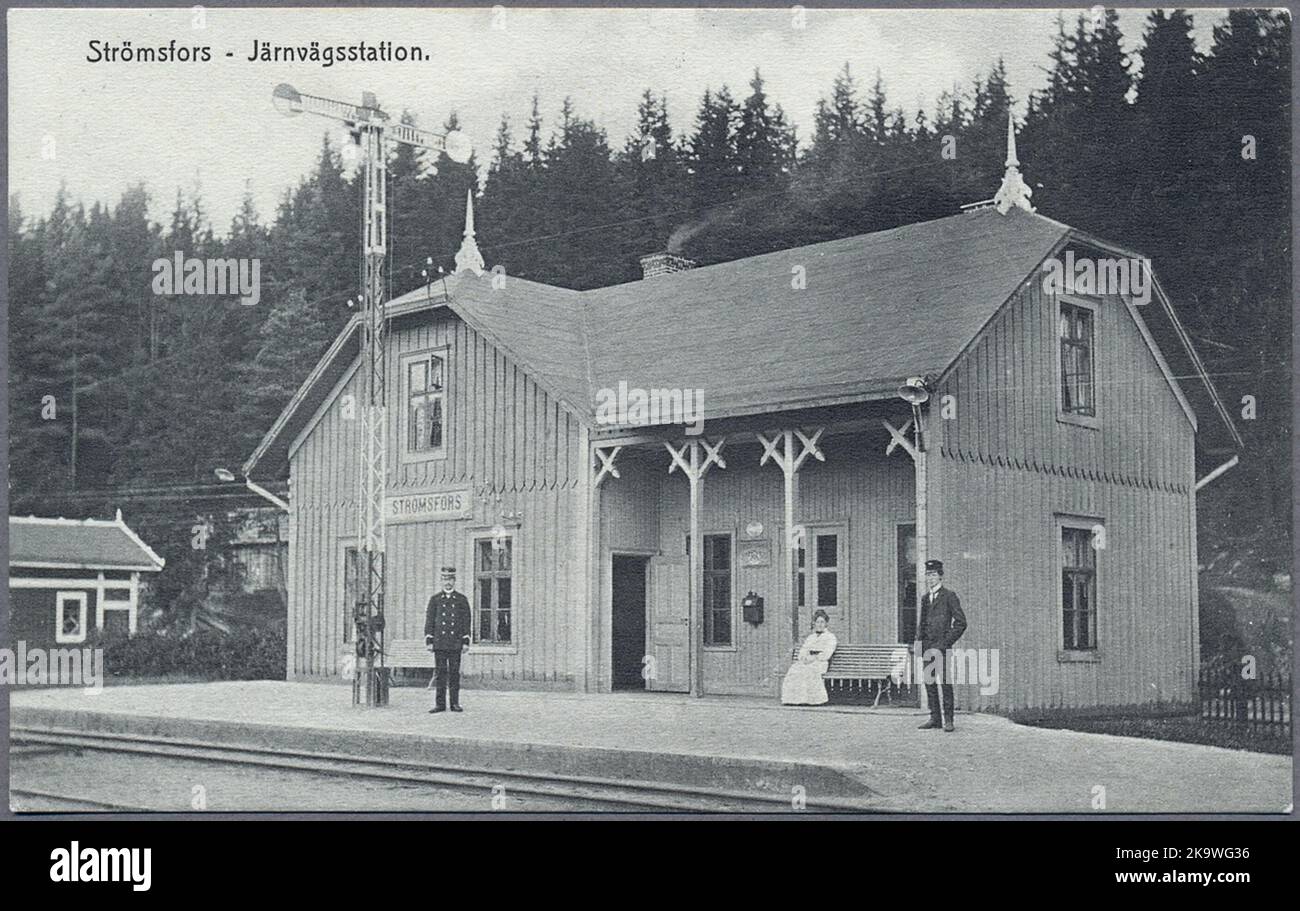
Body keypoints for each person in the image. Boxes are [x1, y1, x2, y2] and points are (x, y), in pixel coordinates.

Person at [916, 559, 967, 732]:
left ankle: (949, 720)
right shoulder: (925, 599)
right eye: (928, 575)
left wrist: (945, 643)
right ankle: (935, 718)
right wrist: (918, 645)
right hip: (927, 647)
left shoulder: (949, 596)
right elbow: (921, 624)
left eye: (933, 575)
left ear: (940, 576)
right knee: (929, 683)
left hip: (942, 648)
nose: (930, 578)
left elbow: (961, 623)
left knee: (945, 683)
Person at [424, 565, 471, 713]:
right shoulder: (435, 600)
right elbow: (429, 620)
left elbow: (466, 621)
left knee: (454, 674)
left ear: (454, 580)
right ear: (441, 581)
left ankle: (455, 703)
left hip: (455, 643)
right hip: (440, 642)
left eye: (450, 579)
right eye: (445, 579)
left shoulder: (461, 600)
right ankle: (440, 704)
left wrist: (465, 641)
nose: (447, 582)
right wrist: (429, 640)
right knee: (440, 673)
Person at [781, 610, 837, 705]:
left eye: (822, 622)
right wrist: (804, 657)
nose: (819, 624)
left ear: (826, 623)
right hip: (807, 661)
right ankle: (794, 699)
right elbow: (804, 649)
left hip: (820, 662)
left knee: (810, 671)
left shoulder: (830, 637)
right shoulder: (811, 637)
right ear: (814, 623)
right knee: (794, 669)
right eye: (817, 622)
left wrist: (814, 658)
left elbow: (827, 653)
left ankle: (812, 699)